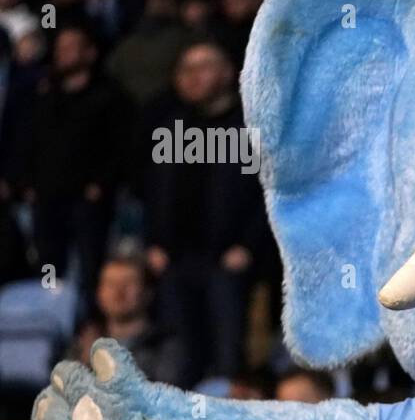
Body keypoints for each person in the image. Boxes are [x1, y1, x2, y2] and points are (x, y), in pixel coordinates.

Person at [141, 39, 267, 386]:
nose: (192, 76)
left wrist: (249, 246)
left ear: (228, 73)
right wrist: (154, 242)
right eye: (185, 69)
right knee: (178, 361)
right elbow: (153, 192)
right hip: (175, 260)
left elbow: (266, 195)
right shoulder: (171, 127)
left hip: (228, 260)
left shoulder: (250, 127)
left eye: (203, 67)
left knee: (228, 358)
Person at [17, 22, 134, 294]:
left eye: (71, 47)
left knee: (91, 264)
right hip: (47, 195)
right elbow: (29, 141)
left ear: (90, 52)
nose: (63, 53)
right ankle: (50, 310)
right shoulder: (45, 96)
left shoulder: (110, 96)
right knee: (47, 265)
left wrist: (102, 184)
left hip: (88, 199)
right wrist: (27, 182)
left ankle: (90, 315)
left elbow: (120, 147)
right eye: (60, 48)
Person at [94, 253, 186, 387]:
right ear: (99, 293)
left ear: (148, 292)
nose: (118, 292)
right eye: (111, 284)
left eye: (129, 283)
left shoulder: (167, 348)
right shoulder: (85, 345)